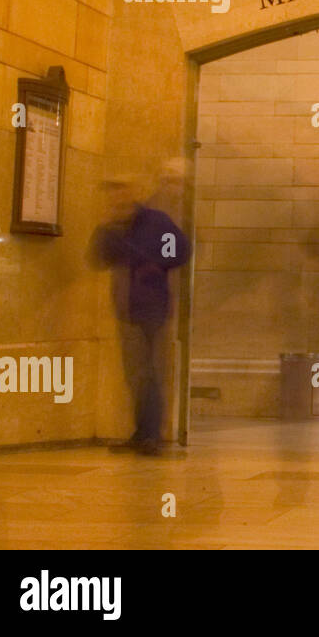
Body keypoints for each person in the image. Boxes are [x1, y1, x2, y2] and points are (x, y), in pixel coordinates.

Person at [88, 170, 192, 456]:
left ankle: (151, 435)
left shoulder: (156, 221)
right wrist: (105, 227)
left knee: (149, 372)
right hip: (126, 309)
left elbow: (181, 249)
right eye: (112, 194)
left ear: (132, 193)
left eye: (120, 191)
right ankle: (141, 432)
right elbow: (98, 258)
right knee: (135, 374)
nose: (115, 198)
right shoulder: (114, 227)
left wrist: (157, 264)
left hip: (152, 308)